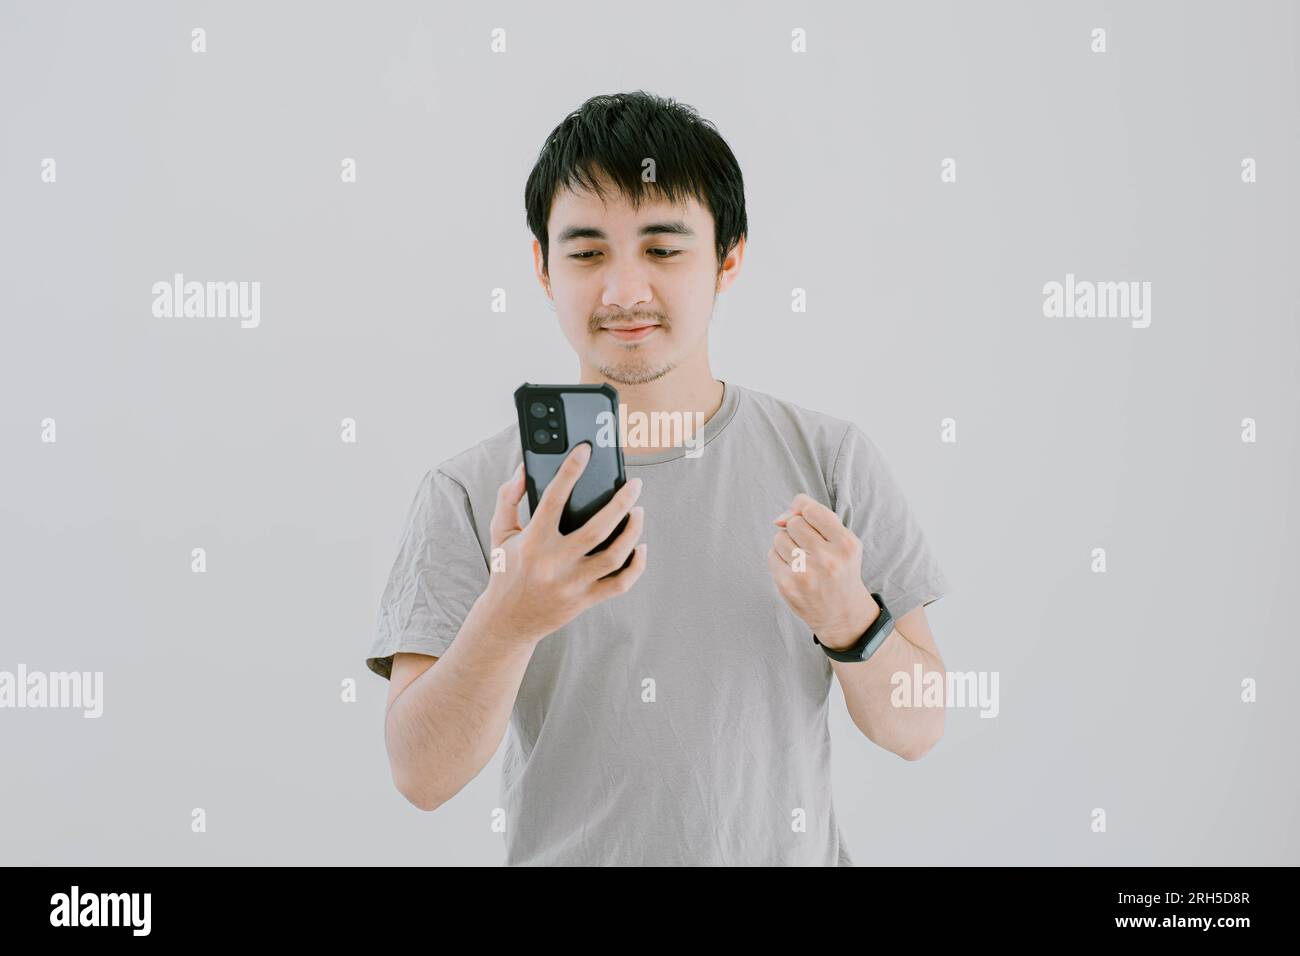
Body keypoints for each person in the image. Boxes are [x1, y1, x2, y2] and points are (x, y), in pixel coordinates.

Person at [366, 90, 953, 866]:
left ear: (729, 259)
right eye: (586, 253)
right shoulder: (474, 492)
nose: (623, 292)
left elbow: (918, 729)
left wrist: (851, 618)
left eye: (664, 249)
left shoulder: (830, 461)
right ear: (542, 268)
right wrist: (509, 618)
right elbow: (421, 774)